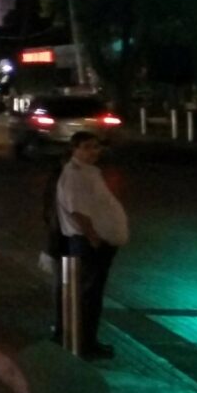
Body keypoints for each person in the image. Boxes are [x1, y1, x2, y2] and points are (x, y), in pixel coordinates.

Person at [55, 131, 128, 359]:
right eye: (86, 147)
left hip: (93, 242)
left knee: (93, 294)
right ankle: (84, 343)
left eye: (96, 147)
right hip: (87, 243)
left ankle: (88, 341)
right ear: (74, 149)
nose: (93, 152)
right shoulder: (75, 175)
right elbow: (77, 211)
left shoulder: (88, 172)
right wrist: (93, 237)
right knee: (88, 295)